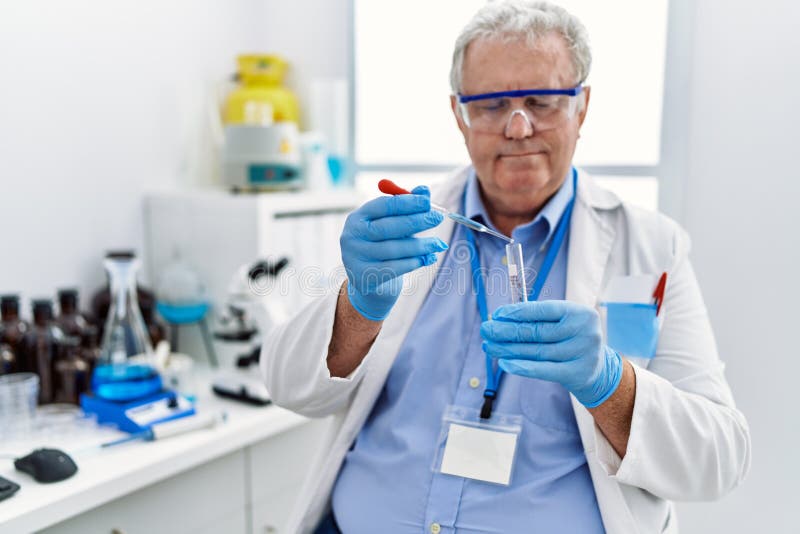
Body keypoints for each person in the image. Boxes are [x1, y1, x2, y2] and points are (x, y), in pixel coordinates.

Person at [261, 2, 751, 532]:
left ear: (581, 107)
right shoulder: (408, 227)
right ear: (459, 115)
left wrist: (610, 383)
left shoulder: (653, 245)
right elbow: (288, 387)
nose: (519, 128)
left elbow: (718, 460)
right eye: (492, 106)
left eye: (542, 101)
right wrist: (358, 304)